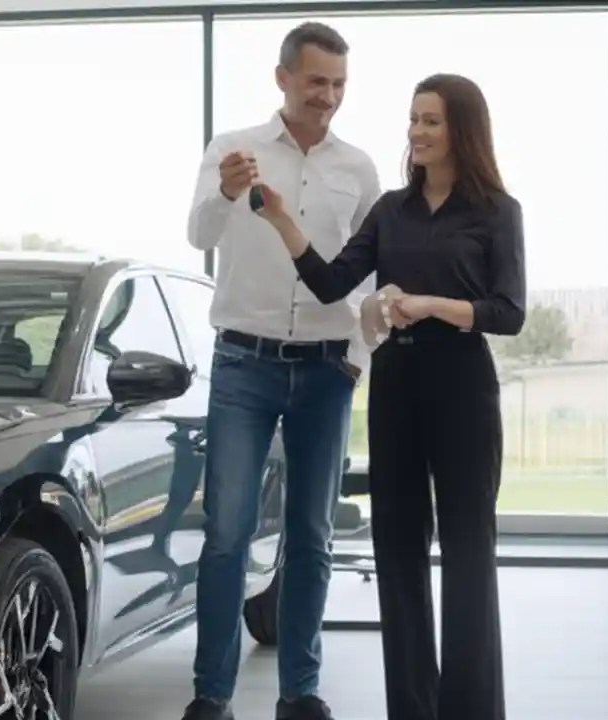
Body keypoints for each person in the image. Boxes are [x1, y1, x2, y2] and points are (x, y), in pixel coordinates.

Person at [252, 72, 526, 720]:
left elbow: (509, 312)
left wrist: (429, 304)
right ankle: (411, 708)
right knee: (398, 550)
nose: (416, 132)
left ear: (462, 130)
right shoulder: (391, 210)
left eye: (431, 120)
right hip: (397, 385)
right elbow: (330, 283)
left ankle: (471, 711)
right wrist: (282, 219)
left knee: (468, 552)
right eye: (413, 119)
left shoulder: (496, 211)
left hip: (463, 385)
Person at [183, 21, 381, 720]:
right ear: (283, 78)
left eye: (339, 84)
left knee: (312, 537)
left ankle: (300, 693)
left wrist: (357, 359)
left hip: (327, 370)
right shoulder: (232, 151)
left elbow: (371, 274)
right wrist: (225, 193)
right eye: (316, 81)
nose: (328, 96)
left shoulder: (358, 169)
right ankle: (212, 696)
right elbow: (199, 234)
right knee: (227, 534)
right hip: (244, 363)